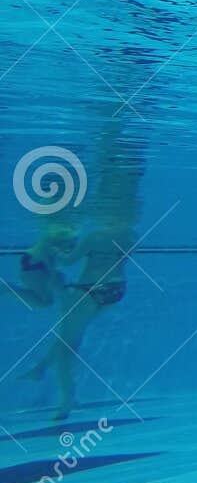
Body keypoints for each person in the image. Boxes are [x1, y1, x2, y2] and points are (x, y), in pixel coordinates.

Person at [7, 119, 137, 421]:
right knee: (70, 336)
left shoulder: (92, 237)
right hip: (115, 291)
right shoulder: (130, 234)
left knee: (67, 345)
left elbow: (68, 262)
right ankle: (42, 370)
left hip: (86, 291)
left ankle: (66, 400)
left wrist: (56, 252)